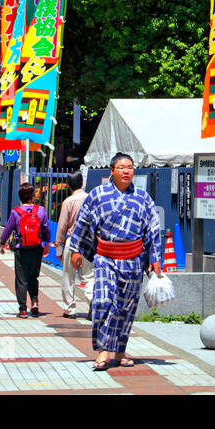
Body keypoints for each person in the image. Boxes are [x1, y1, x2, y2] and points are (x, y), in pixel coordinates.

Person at [66, 153, 162, 371]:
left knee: (126, 307)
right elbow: (82, 222)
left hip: (133, 260)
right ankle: (102, 350)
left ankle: (119, 350)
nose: (126, 171)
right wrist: (76, 250)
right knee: (102, 302)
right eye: (121, 167)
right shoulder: (98, 195)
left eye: (130, 167)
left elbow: (154, 229)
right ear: (112, 171)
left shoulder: (142, 197)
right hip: (106, 258)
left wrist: (155, 258)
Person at [0, 182, 50, 318]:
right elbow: (45, 228)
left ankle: (23, 309)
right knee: (34, 276)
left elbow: (8, 228)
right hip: (37, 248)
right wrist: (46, 244)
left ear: (20, 197)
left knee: (21, 279)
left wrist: (2, 243)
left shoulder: (16, 212)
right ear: (33, 196)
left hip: (21, 249)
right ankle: (34, 302)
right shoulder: (40, 210)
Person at [55, 171, 91, 319]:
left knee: (68, 275)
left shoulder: (68, 202)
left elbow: (62, 226)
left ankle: (70, 308)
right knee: (89, 276)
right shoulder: (92, 198)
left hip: (72, 240)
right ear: (82, 182)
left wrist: (58, 247)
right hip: (89, 241)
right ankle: (93, 301)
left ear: (68, 185)